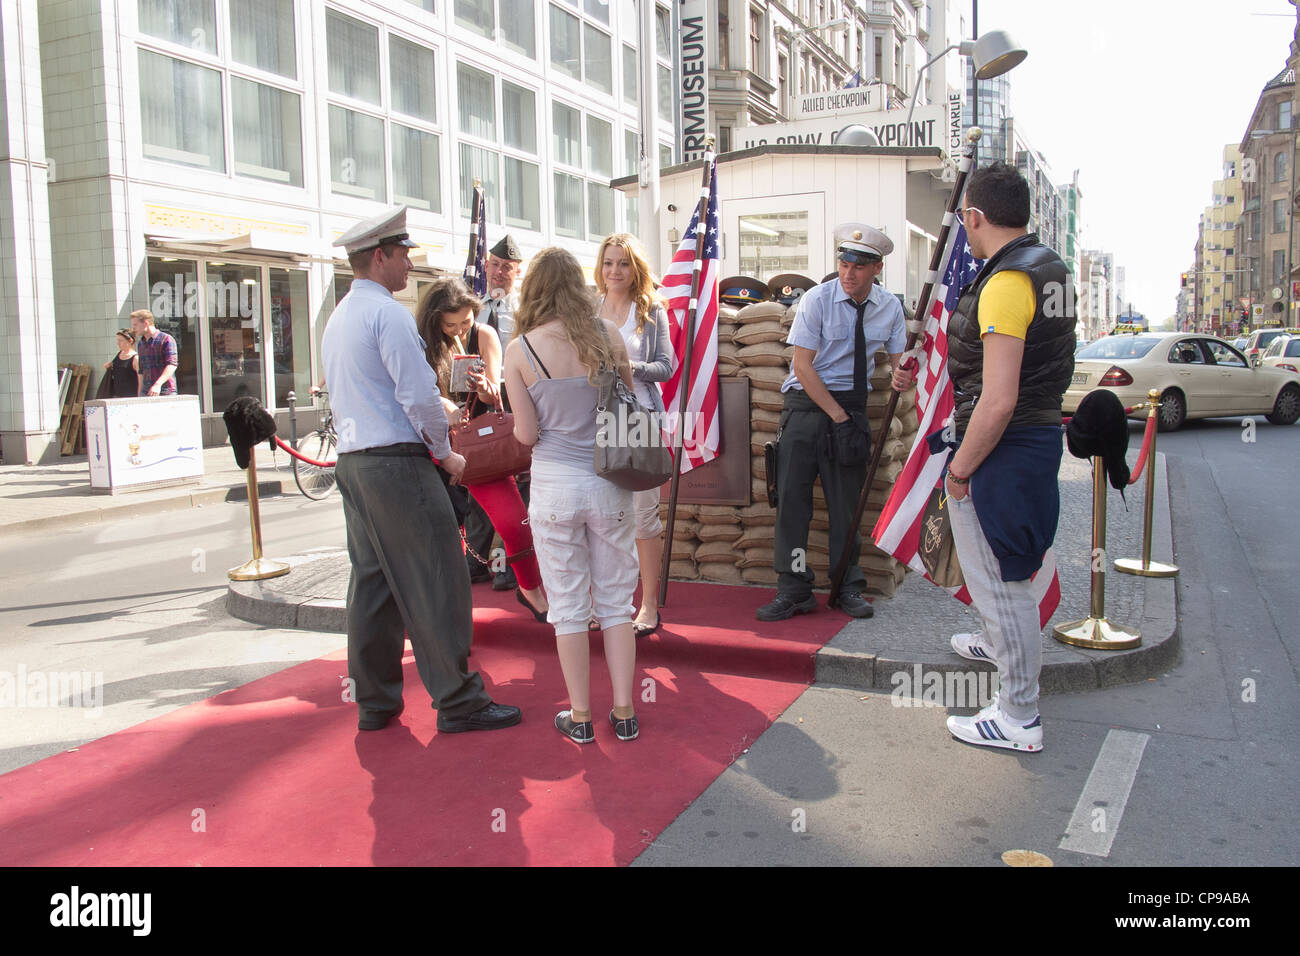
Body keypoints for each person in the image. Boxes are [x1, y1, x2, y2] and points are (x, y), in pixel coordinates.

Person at [321, 204, 520, 735]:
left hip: (356, 463)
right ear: (380, 256)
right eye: (404, 254)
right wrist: (447, 454)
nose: (409, 264)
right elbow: (420, 398)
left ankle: (376, 703)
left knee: (374, 585)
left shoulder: (340, 315)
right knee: (439, 578)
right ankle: (459, 700)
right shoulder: (386, 313)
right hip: (397, 464)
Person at [899, 162, 1074, 753]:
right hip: (1035, 438)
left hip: (1004, 445)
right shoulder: (1048, 267)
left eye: (965, 221)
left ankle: (1018, 714)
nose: (965, 232)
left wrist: (962, 468)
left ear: (973, 216)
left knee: (1004, 581)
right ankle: (1000, 647)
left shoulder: (1004, 282)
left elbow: (996, 400)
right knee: (1012, 570)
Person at [502, 247, 641, 745]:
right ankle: (624, 712)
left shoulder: (520, 351)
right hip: (609, 482)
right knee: (617, 602)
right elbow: (630, 403)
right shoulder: (609, 335)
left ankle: (581, 717)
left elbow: (525, 433)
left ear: (534, 290)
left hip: (555, 487)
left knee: (566, 605)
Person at [757, 225, 907, 622]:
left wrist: (903, 373)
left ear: (876, 268)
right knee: (793, 504)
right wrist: (837, 416)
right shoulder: (817, 301)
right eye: (843, 263)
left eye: (858, 266)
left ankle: (847, 585)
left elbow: (898, 362)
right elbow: (802, 367)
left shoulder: (890, 307)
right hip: (807, 405)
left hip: (852, 406)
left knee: (846, 507)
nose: (848, 273)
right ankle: (794, 588)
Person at [414, 276, 550, 623]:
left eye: (466, 321)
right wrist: (441, 404)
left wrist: (488, 389)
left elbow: (497, 398)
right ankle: (448, 617)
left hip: (478, 445)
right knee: (442, 534)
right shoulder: (419, 343)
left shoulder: (485, 335)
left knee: (515, 522)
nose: (460, 329)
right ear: (435, 321)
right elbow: (411, 393)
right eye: (451, 324)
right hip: (432, 446)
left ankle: (530, 589)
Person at [594, 233, 672, 638]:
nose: (614, 271)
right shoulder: (588, 308)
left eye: (622, 263)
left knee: (643, 515)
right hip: (595, 420)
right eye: (608, 263)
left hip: (640, 418)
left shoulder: (650, 309)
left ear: (635, 268)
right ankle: (610, 601)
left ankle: (649, 604)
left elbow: (667, 366)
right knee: (604, 514)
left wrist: (627, 366)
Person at [466, 234, 526, 589]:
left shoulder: (525, 310)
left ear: (518, 272)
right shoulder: (474, 306)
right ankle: (476, 559)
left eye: (508, 267)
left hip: (514, 397)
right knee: (480, 479)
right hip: (478, 401)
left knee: (514, 483)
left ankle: (506, 565)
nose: (500, 272)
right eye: (495, 265)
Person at [130, 309, 178, 396]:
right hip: (146, 392)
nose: (133, 328)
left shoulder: (166, 339)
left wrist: (157, 384)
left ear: (145, 323)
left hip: (165, 391)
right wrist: (139, 394)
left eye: (135, 325)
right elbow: (141, 371)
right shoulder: (141, 343)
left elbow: (172, 365)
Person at [102, 329, 139, 398]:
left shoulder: (135, 358)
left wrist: (139, 396)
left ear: (130, 341)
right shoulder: (119, 354)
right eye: (117, 340)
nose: (118, 343)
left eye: (121, 340)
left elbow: (140, 379)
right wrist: (109, 365)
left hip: (130, 397)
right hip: (116, 396)